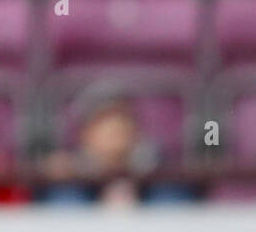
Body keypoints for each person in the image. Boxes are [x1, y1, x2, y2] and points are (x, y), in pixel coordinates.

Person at [38, 86, 194, 206]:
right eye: (104, 121)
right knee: (65, 199)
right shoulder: (70, 168)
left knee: (170, 198)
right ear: (85, 133)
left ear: (136, 129)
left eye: (122, 119)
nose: (115, 128)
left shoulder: (157, 163)